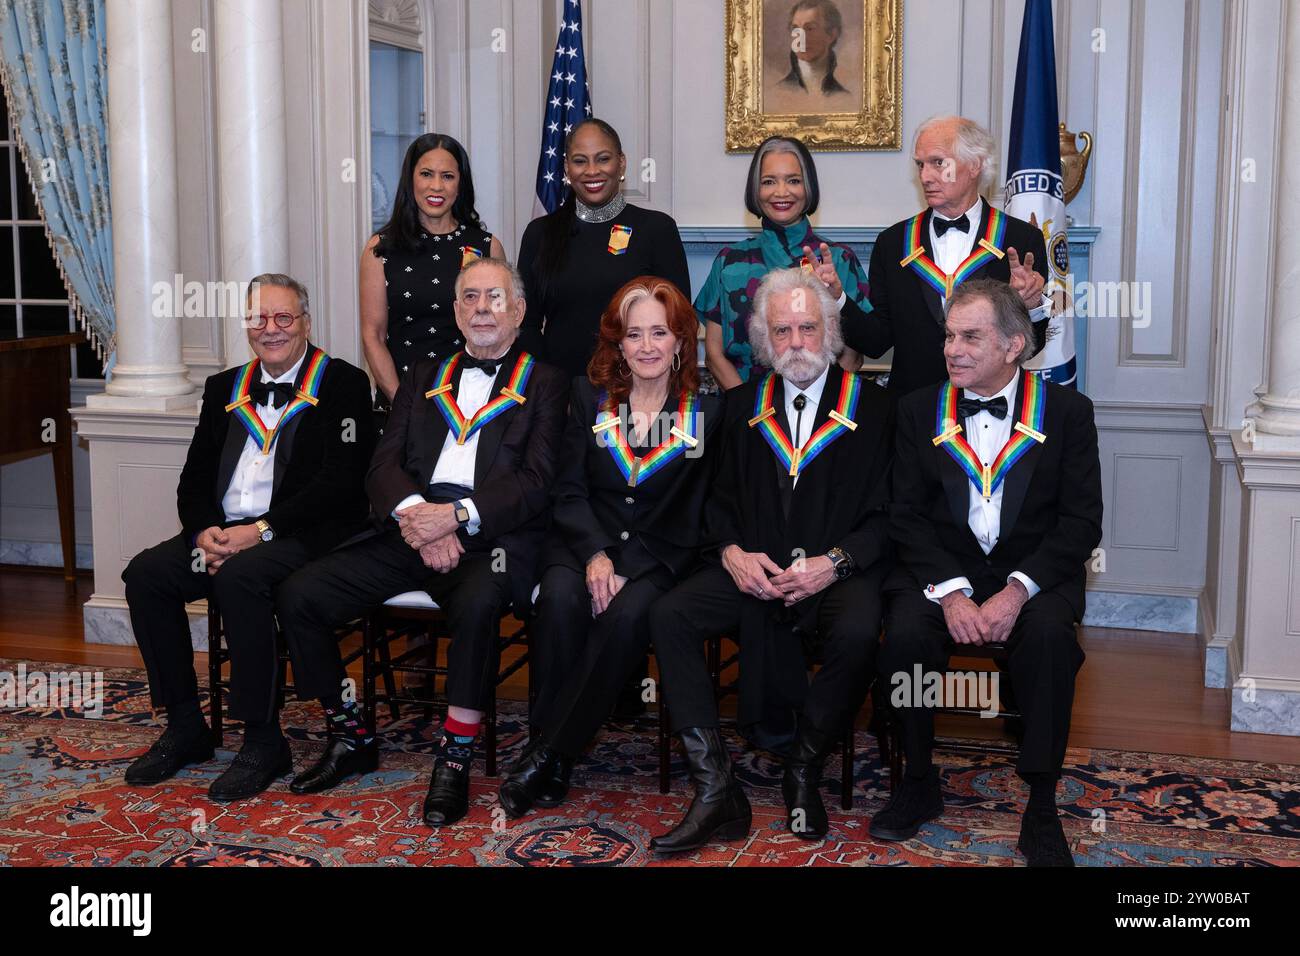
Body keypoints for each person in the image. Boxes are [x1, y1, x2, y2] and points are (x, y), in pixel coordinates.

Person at [275, 258, 567, 828]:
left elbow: (536, 482)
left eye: (495, 298)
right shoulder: (421, 373)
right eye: (471, 298)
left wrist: (456, 518)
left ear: (519, 311)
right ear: (456, 311)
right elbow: (382, 464)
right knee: (300, 593)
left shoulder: (548, 382)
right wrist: (419, 518)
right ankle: (350, 731)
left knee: (480, 603)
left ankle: (454, 758)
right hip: (409, 528)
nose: (482, 308)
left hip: (492, 539)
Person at [647, 267, 895, 852]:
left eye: (809, 328)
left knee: (859, 631)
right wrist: (730, 552)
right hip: (755, 570)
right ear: (763, 340)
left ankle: (804, 763)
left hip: (838, 570)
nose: (797, 344)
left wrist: (833, 563)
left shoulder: (877, 410)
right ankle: (715, 787)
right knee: (669, 614)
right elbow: (708, 500)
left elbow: (893, 516)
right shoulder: (738, 406)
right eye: (781, 331)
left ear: (832, 332)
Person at [872, 279, 1101, 866]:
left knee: (1050, 639)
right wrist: (951, 595)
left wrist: (1016, 592)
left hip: (1031, 573)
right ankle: (918, 779)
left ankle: (1042, 805)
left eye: (971, 337)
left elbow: (1080, 525)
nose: (952, 349)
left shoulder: (1069, 412)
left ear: (1014, 346)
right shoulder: (918, 409)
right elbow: (905, 516)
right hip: (942, 568)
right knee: (905, 637)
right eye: (950, 335)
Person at [121, 274, 375, 801]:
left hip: (302, 534)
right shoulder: (223, 388)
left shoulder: (345, 384)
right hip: (226, 532)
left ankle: (263, 741)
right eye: (259, 319)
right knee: (146, 575)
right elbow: (193, 478)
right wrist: (204, 531)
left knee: (241, 578)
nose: (271, 329)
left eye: (284, 317)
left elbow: (339, 485)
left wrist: (258, 532)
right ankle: (186, 725)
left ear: (306, 322)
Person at [495, 277, 723, 818]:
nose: (646, 346)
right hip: (579, 545)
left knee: (626, 617)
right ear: (618, 343)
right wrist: (597, 554)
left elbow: (694, 514)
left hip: (658, 560)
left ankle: (549, 753)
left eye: (659, 333)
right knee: (559, 600)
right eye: (634, 334)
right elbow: (568, 490)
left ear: (680, 341)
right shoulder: (586, 399)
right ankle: (556, 754)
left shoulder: (708, 414)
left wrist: (628, 567)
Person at [838, 115, 1051, 396]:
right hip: (912, 412)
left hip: (990, 407)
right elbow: (877, 342)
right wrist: (837, 299)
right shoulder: (893, 243)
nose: (925, 176)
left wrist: (1032, 306)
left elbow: (1031, 342)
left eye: (938, 163)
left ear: (975, 165)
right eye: (920, 165)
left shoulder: (1021, 239)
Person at [517, 118, 691, 382]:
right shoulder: (539, 233)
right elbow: (525, 323)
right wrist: (547, 384)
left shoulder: (657, 229)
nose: (591, 170)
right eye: (579, 161)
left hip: (637, 389)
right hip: (560, 392)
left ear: (621, 163)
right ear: (566, 168)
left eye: (603, 159)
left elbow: (679, 321)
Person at [697, 135, 865, 389]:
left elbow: (854, 354)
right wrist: (746, 411)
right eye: (768, 182)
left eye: (794, 181)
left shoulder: (839, 259)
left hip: (824, 416)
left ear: (808, 187)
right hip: (745, 413)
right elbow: (714, 353)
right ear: (756, 190)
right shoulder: (728, 262)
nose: (781, 192)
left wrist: (817, 407)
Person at [360, 133, 505, 409]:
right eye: (426, 174)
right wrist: (404, 404)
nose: (436, 186)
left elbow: (500, 334)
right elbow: (373, 336)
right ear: (410, 179)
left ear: (460, 184)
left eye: (448, 176)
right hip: (401, 401)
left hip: (473, 401)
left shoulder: (487, 247)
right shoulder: (380, 249)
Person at [776, 0, 852, 100]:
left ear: (832, 35)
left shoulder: (845, 98)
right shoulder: (777, 93)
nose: (800, 38)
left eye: (810, 29)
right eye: (795, 29)